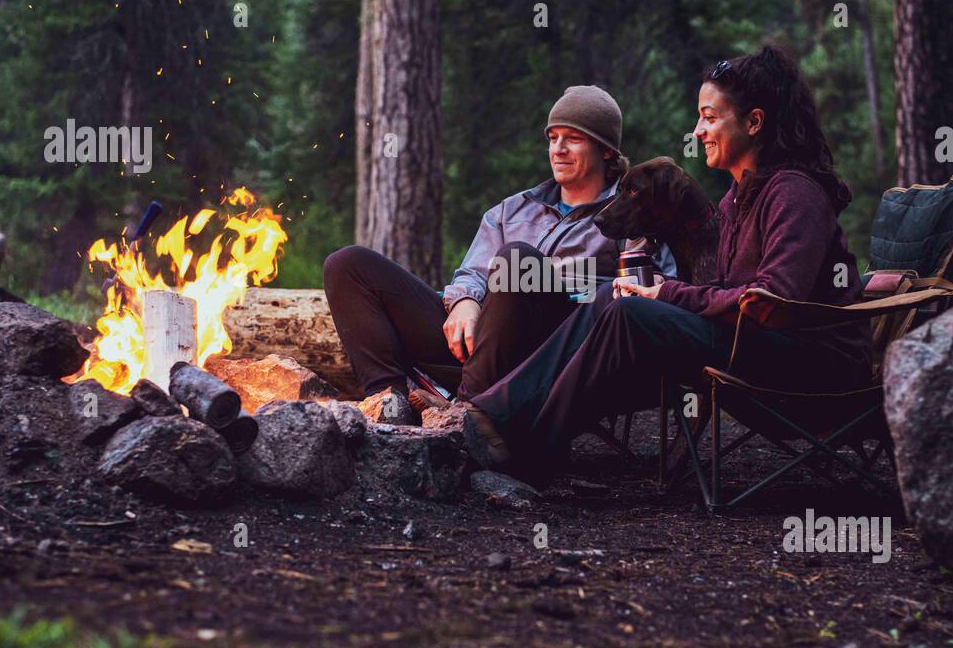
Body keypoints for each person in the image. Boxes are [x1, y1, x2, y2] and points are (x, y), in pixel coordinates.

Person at [467, 45, 873, 478]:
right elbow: (724, 290)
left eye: (710, 117)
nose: (698, 130)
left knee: (630, 313)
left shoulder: (794, 193)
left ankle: (530, 449)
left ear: (754, 122)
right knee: (612, 296)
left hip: (807, 372)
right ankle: (490, 416)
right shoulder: (739, 197)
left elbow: (772, 300)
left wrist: (668, 292)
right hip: (755, 346)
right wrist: (658, 289)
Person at [322, 85, 675, 411]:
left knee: (516, 260)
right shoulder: (513, 210)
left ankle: (466, 413)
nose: (558, 149)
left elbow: (645, 293)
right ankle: (390, 402)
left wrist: (549, 280)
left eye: (574, 139)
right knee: (349, 264)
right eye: (553, 138)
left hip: (556, 347)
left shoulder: (630, 215)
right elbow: (473, 272)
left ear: (606, 150)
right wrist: (463, 302)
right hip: (481, 336)